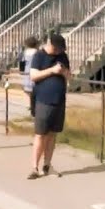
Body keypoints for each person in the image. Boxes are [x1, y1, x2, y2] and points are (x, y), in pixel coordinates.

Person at [27, 33, 70, 179]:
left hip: (59, 100)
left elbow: (69, 76)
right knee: (40, 134)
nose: (59, 52)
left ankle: (47, 165)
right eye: (57, 49)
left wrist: (63, 72)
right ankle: (34, 167)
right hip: (43, 100)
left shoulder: (63, 56)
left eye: (61, 50)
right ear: (51, 45)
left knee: (52, 134)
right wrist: (52, 71)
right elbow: (33, 76)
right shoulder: (39, 56)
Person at [20, 36, 40, 116]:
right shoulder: (37, 52)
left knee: (28, 90)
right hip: (34, 71)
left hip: (27, 72)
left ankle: (31, 105)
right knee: (34, 89)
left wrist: (21, 70)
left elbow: (22, 62)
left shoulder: (25, 52)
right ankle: (34, 105)